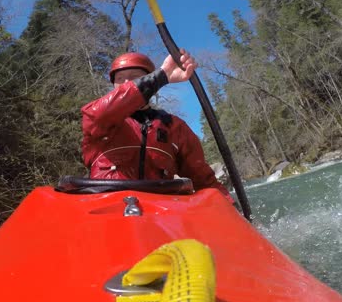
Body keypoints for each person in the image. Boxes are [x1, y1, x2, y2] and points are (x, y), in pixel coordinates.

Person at [81, 50, 233, 201]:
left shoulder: (175, 127)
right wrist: (163, 75)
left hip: (160, 211)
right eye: (120, 79)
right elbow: (98, 113)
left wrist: (228, 205)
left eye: (134, 78)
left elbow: (203, 180)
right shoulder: (98, 120)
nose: (127, 84)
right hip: (105, 208)